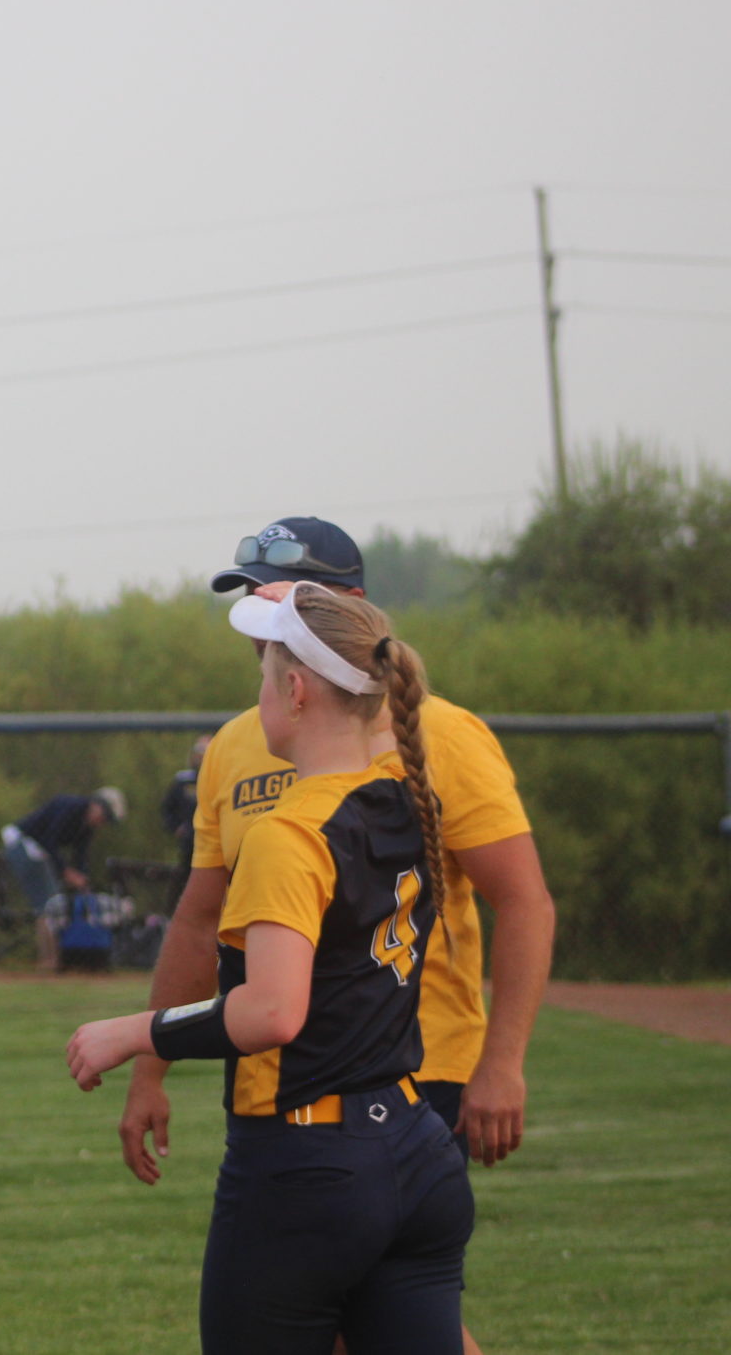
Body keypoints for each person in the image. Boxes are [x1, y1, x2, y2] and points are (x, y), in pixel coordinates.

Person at [118, 518, 555, 1355]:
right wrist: (153, 1069)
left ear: (348, 608)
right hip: (289, 1086)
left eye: (283, 593)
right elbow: (199, 919)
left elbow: (524, 900)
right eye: (253, 590)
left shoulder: (441, 735)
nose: (260, 607)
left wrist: (504, 1061)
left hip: (414, 1067)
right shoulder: (239, 745)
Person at [69, 581, 475, 1353]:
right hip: (415, 1148)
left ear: (295, 690)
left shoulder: (290, 832)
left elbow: (272, 1012)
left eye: (266, 672)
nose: (256, 690)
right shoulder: (403, 796)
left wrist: (134, 1033)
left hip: (309, 1164)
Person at [1, 788, 125, 971]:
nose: (103, 822)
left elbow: (81, 856)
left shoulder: (86, 828)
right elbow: (48, 840)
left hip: (39, 851)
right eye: (105, 816)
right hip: (24, 844)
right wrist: (66, 872)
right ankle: (49, 962)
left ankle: (57, 961)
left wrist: (82, 878)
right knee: (49, 904)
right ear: (96, 805)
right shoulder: (70, 807)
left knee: (51, 903)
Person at [160, 736, 211, 870]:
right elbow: (167, 808)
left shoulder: (220, 780)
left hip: (212, 842)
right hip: (189, 843)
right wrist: (176, 827)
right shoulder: (183, 781)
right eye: (198, 753)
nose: (200, 758)